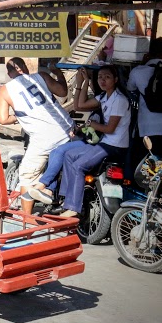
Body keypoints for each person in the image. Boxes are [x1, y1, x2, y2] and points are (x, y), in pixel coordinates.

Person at [0, 57, 73, 214]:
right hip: (67, 130)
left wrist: (18, 116)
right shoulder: (41, 76)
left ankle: (27, 218)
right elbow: (63, 92)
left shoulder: (6, 90)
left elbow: (2, 119)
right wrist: (59, 73)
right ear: (25, 67)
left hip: (44, 138)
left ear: (9, 74)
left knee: (27, 174)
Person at [52, 64, 132, 217]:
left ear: (115, 80)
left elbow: (110, 129)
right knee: (69, 155)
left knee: (79, 165)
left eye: (107, 77)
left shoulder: (119, 100)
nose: (103, 80)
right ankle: (66, 200)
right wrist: (84, 82)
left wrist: (92, 124)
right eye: (100, 77)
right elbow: (78, 105)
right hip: (105, 143)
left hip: (114, 146)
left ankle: (73, 208)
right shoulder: (103, 97)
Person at [127, 37, 162, 158]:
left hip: (148, 129)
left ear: (149, 53)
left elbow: (130, 89)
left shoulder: (137, 72)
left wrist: (142, 63)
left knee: (150, 169)